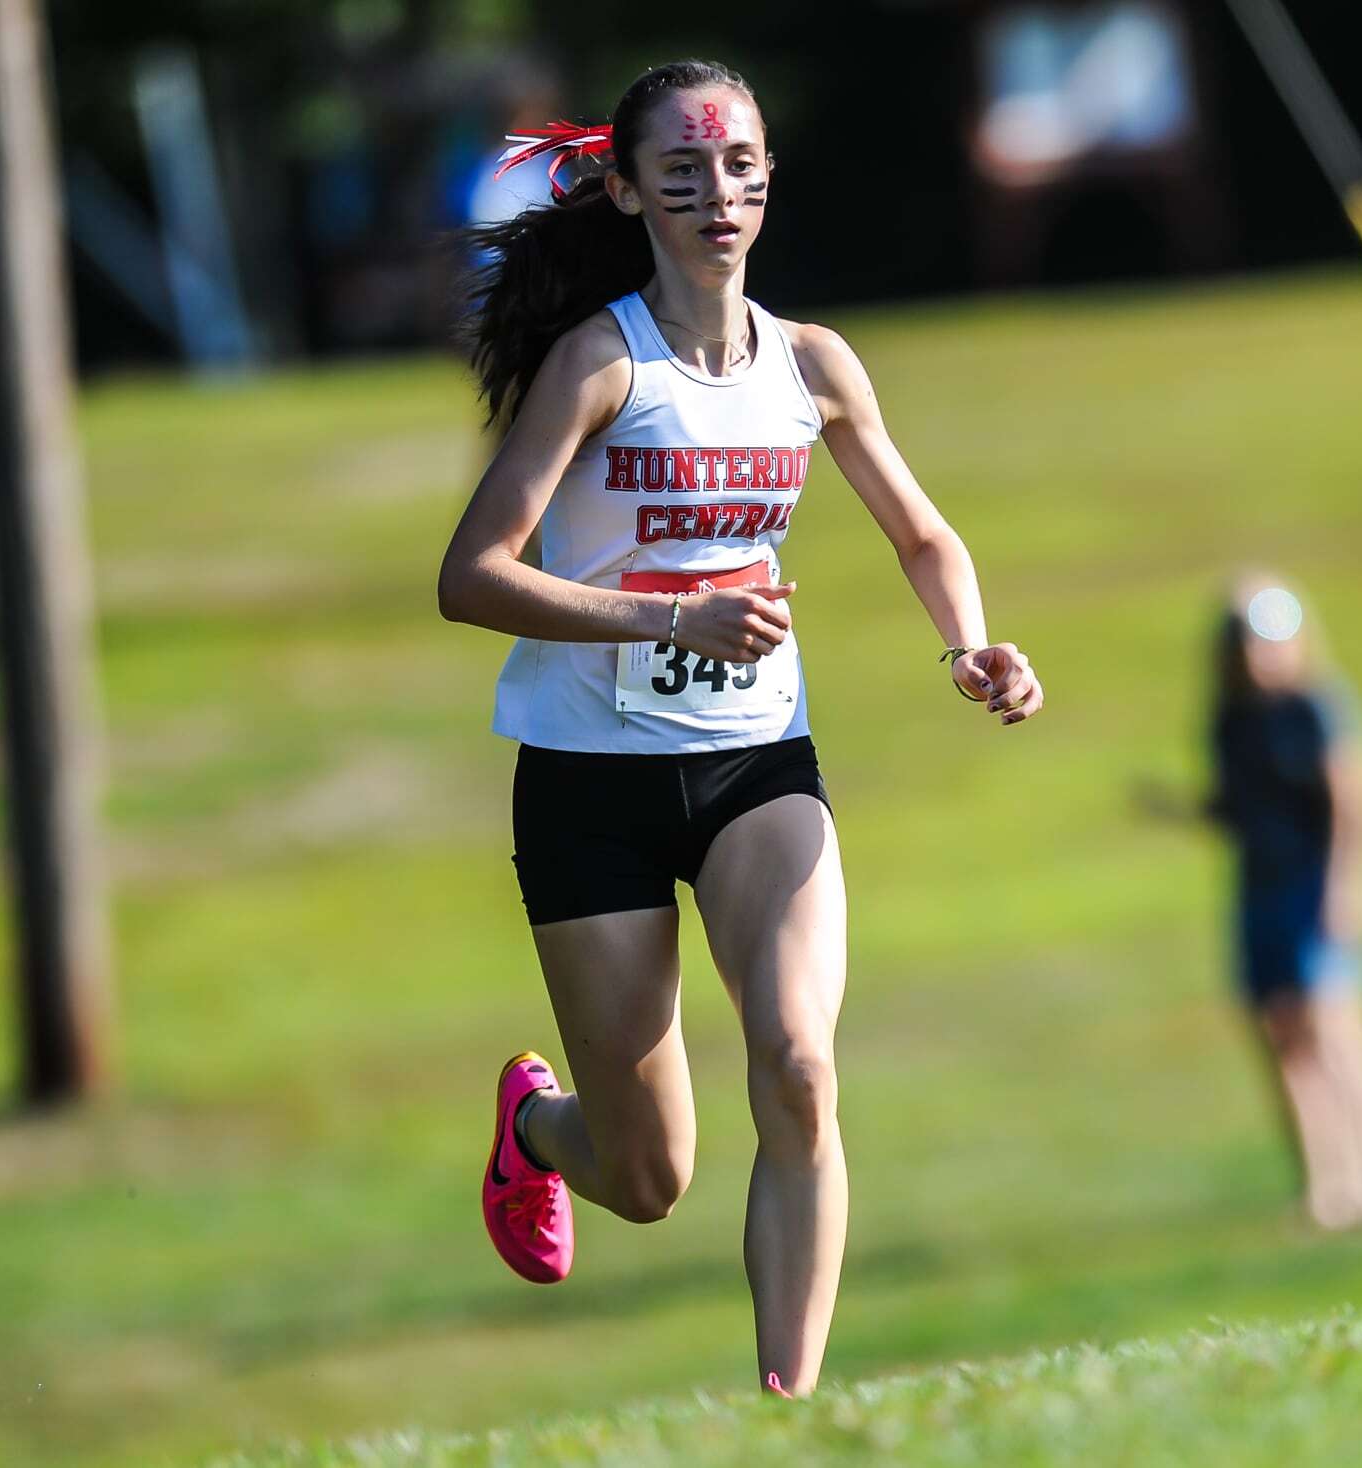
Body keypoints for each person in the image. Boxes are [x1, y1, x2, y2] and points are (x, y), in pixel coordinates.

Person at [436, 59, 1044, 1398]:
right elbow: (470, 576)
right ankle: (536, 1131)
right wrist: (670, 617)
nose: (718, 193)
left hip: (757, 767)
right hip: (590, 786)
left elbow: (922, 533)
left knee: (802, 1067)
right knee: (648, 1175)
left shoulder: (811, 365)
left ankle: (785, 1410)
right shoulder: (598, 364)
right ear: (625, 191)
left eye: (740, 166)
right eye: (684, 170)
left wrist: (969, 644)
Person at [1175, 576, 1362, 1231]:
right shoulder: (1230, 720)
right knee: (1280, 1035)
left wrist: (1348, 887)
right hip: (1259, 889)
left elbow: (1353, 803)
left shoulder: (1317, 707)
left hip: (1314, 885)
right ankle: (1326, 1188)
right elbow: (1239, 809)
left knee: (1334, 1028)